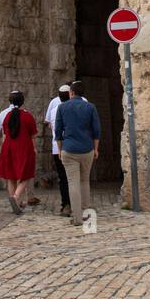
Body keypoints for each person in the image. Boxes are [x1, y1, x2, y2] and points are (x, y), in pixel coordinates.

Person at [54, 80, 100, 227]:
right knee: (85, 181)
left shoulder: (62, 107)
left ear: (71, 93)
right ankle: (86, 214)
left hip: (69, 149)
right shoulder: (90, 107)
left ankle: (77, 218)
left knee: (72, 183)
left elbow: (58, 131)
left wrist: (60, 149)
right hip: (87, 149)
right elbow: (96, 130)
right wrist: (96, 148)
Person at [0, 90, 37, 215]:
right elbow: (33, 135)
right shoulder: (27, 116)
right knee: (26, 175)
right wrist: (34, 149)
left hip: (8, 147)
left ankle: (16, 203)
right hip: (24, 148)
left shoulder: (7, 115)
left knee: (11, 176)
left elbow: (3, 132)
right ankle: (16, 196)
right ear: (23, 101)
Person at [43, 84, 72, 216]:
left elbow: (51, 125)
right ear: (71, 94)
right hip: (77, 147)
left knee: (63, 178)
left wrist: (59, 147)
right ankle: (80, 205)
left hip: (59, 148)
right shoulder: (84, 104)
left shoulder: (55, 108)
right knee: (77, 178)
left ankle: (66, 204)